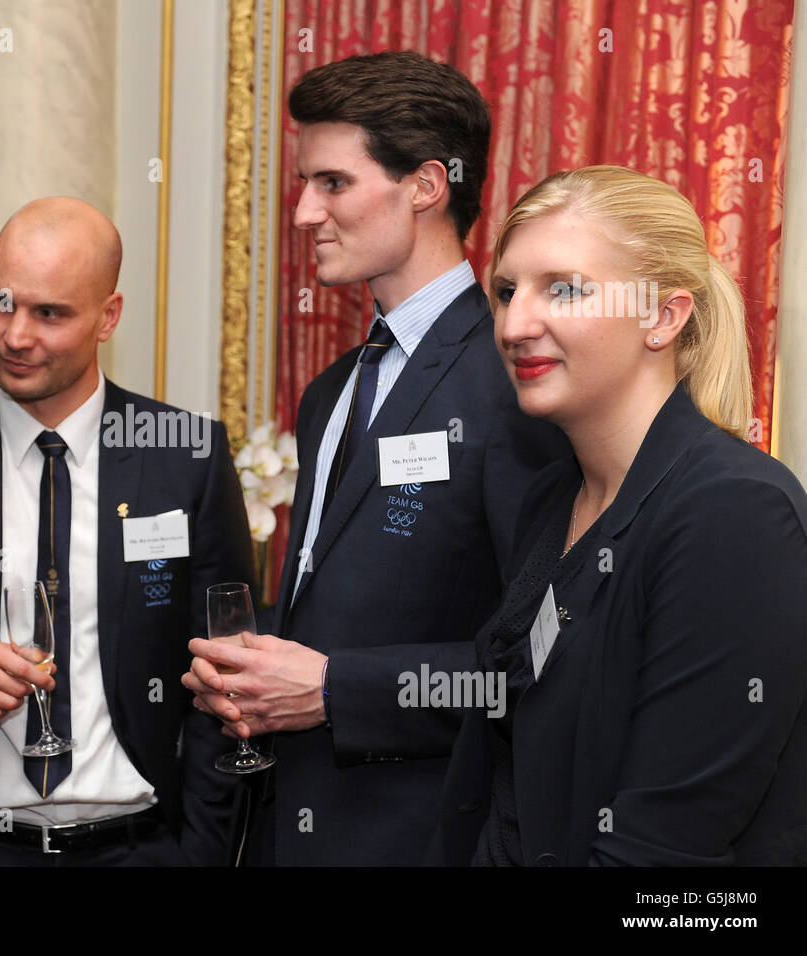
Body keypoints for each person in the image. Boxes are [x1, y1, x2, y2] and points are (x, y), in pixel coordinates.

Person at [183, 51, 567, 865]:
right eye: (302, 184)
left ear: (427, 185)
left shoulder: (514, 383)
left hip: (425, 837)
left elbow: (540, 659)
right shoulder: (332, 390)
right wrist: (252, 673)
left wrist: (329, 690)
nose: (301, 213)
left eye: (331, 183)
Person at [0, 197, 255, 865]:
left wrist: (200, 850)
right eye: (2, 301)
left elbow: (227, 666)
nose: (15, 335)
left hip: (143, 847)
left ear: (109, 317)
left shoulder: (186, 458)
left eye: (50, 313)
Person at [432, 165, 807, 866]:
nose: (515, 325)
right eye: (507, 291)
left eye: (563, 289)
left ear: (663, 317)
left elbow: (664, 853)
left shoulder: (734, 513)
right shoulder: (554, 496)